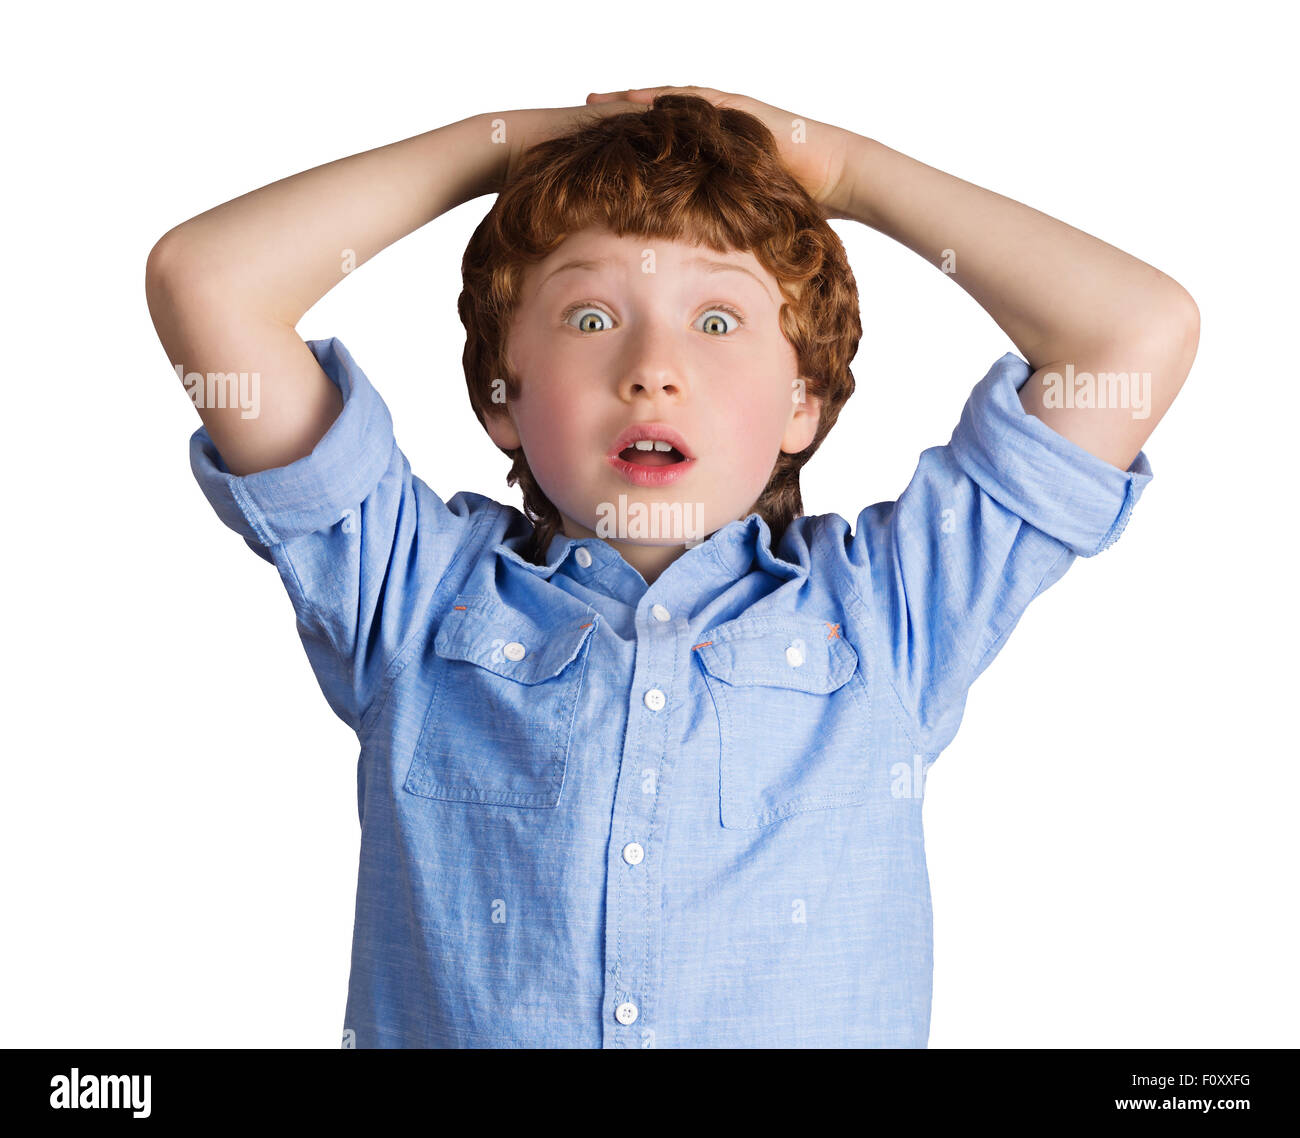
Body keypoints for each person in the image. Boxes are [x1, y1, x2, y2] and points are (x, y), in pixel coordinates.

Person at [145, 86, 1199, 1047]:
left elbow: (1133, 333)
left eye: (717, 319)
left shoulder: (891, 612)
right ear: (499, 398)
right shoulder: (409, 594)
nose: (651, 370)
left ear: (804, 404)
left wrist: (846, 169)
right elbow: (207, 285)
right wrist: (503, 148)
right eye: (590, 317)